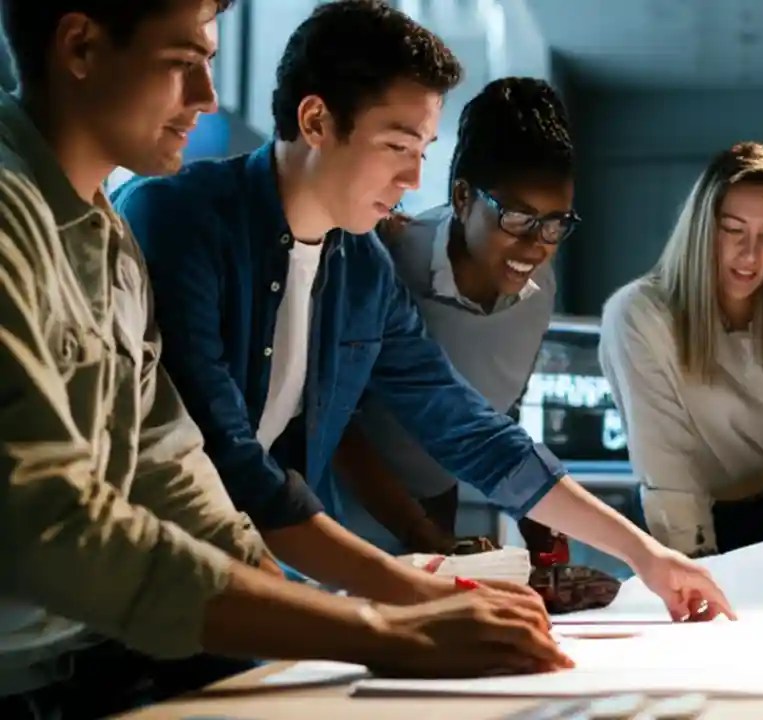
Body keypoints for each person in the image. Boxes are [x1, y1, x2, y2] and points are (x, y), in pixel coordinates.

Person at [0, 1, 570, 716]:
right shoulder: (71, 216)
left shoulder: (107, 235)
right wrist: (378, 626)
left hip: (85, 660)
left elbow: (173, 469)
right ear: (79, 45)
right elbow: (55, 526)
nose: (207, 98)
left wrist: (382, 610)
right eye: (182, 64)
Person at [114, 0, 733, 622]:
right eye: (397, 145)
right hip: (140, 594)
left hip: (243, 585)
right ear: (316, 121)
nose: (414, 177)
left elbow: (466, 426)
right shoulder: (178, 221)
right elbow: (227, 456)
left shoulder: (360, 267)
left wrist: (647, 555)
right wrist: (409, 593)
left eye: (424, 149)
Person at [334, 75, 577, 554]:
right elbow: (333, 422)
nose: (535, 245)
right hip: (339, 525)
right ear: (463, 197)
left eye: (555, 224)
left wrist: (541, 518)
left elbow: (496, 415)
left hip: (432, 516)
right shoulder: (390, 257)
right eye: (516, 218)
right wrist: (420, 534)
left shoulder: (538, 285)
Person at [598, 142, 763, 557]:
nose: (750, 255)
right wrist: (695, 569)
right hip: (696, 518)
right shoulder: (639, 316)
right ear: (702, 227)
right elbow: (667, 466)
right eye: (733, 230)